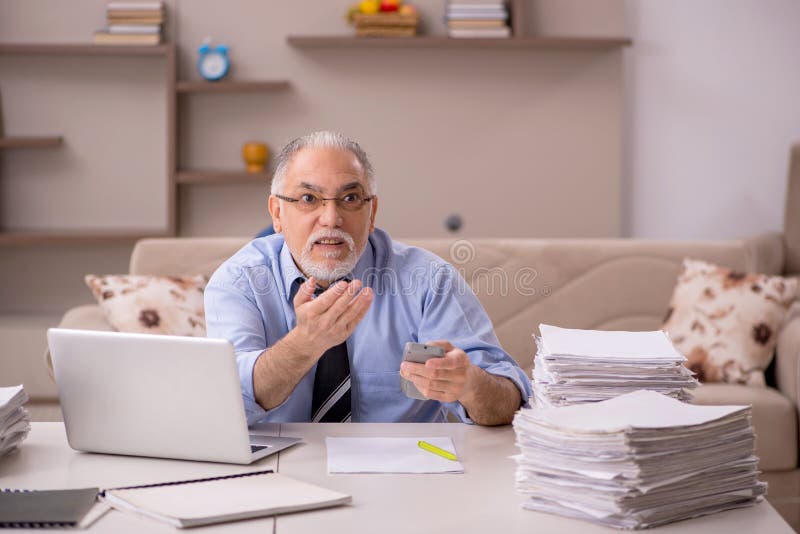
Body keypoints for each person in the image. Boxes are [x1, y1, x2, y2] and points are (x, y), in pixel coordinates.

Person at [205, 131, 531, 426]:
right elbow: (232, 404)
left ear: (371, 212)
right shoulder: (239, 281)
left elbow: (508, 404)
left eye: (349, 199)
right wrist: (306, 344)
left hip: (405, 475)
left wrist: (470, 383)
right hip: (276, 474)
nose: (331, 218)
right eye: (308, 199)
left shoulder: (429, 280)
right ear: (277, 213)